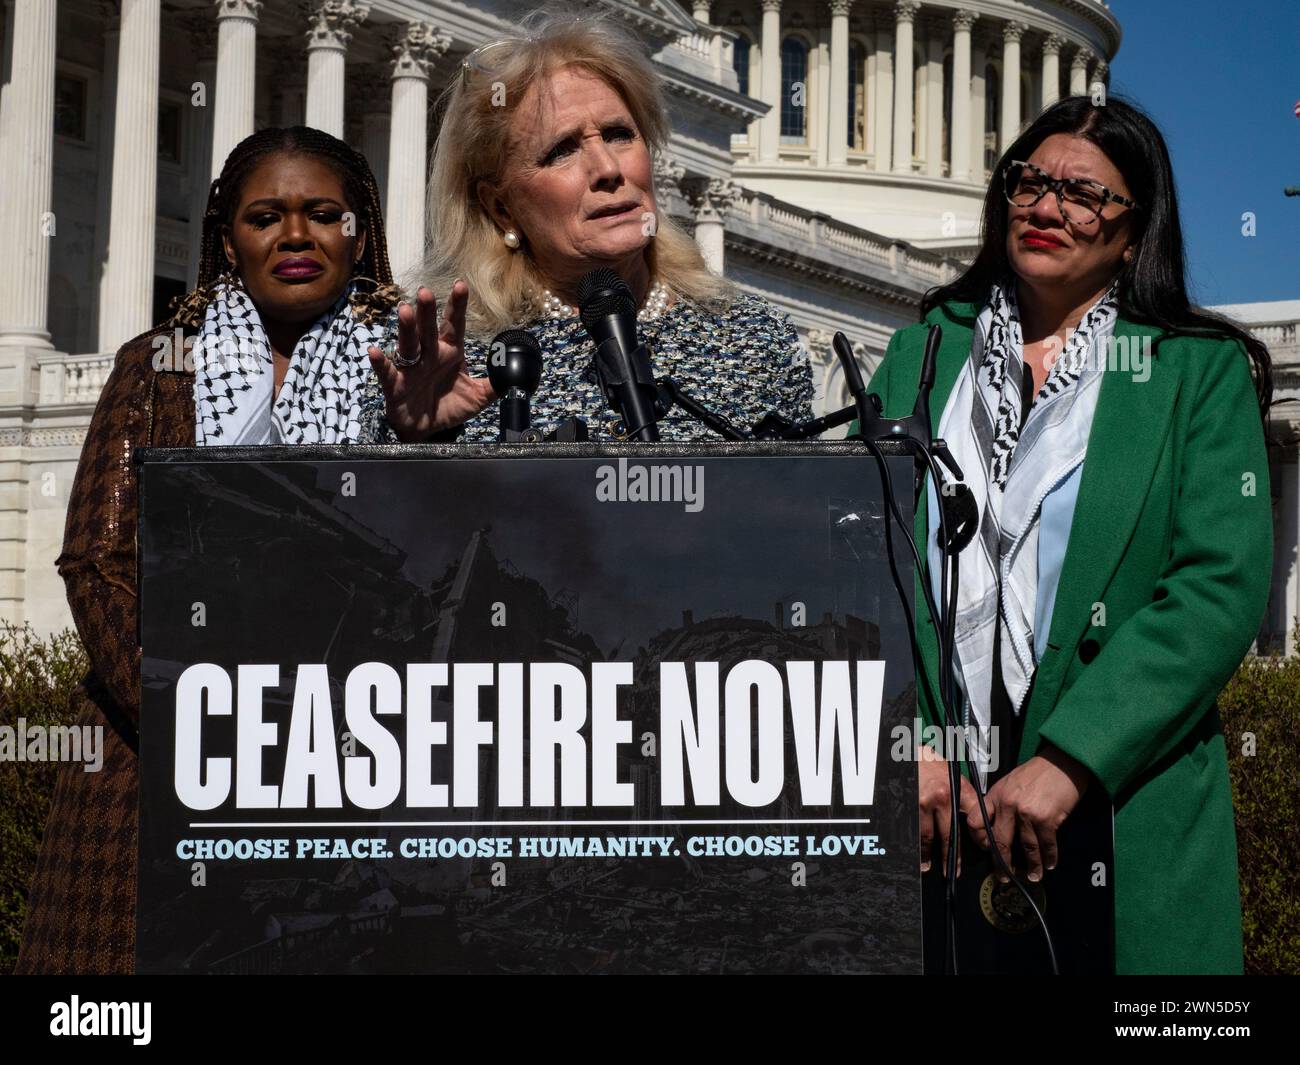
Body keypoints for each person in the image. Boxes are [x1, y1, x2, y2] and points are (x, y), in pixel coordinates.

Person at [866, 95, 1272, 975]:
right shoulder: (921, 356)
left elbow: (1217, 585)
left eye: (1086, 195)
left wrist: (1071, 757)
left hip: (1123, 796)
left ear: (1135, 232)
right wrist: (907, 738)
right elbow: (864, 562)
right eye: (1031, 182)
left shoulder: (1193, 372)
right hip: (939, 803)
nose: (1048, 208)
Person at [16, 126, 404, 973]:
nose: (295, 235)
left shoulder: (405, 372)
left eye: (322, 213)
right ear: (229, 239)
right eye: (266, 215)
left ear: (359, 232)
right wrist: (191, 717)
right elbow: (97, 561)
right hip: (156, 751)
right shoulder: (157, 369)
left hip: (351, 753)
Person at [360, 10, 814, 442]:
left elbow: (800, 510)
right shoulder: (441, 355)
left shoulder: (754, 336)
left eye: (619, 134)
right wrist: (412, 440)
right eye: (561, 150)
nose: (608, 168)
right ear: (501, 207)